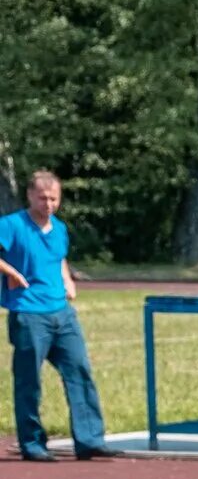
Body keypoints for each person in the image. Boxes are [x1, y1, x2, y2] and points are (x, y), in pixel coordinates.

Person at [0, 171, 111, 461]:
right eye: (42, 198)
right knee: (29, 381)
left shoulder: (59, 229)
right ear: (30, 196)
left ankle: (89, 440)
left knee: (80, 371)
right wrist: (11, 272)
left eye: (53, 199)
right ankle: (33, 444)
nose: (47, 204)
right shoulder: (11, 225)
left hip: (61, 313)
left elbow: (58, 257)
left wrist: (67, 280)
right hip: (28, 314)